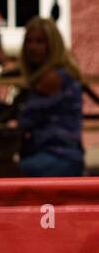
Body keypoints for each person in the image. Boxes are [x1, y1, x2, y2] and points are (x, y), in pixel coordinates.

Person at [10, 17, 85, 177]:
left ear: (53, 45)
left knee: (5, 176)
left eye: (40, 42)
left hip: (60, 157)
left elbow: (24, 120)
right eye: (29, 41)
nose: (33, 47)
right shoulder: (57, 72)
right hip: (57, 155)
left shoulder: (52, 78)